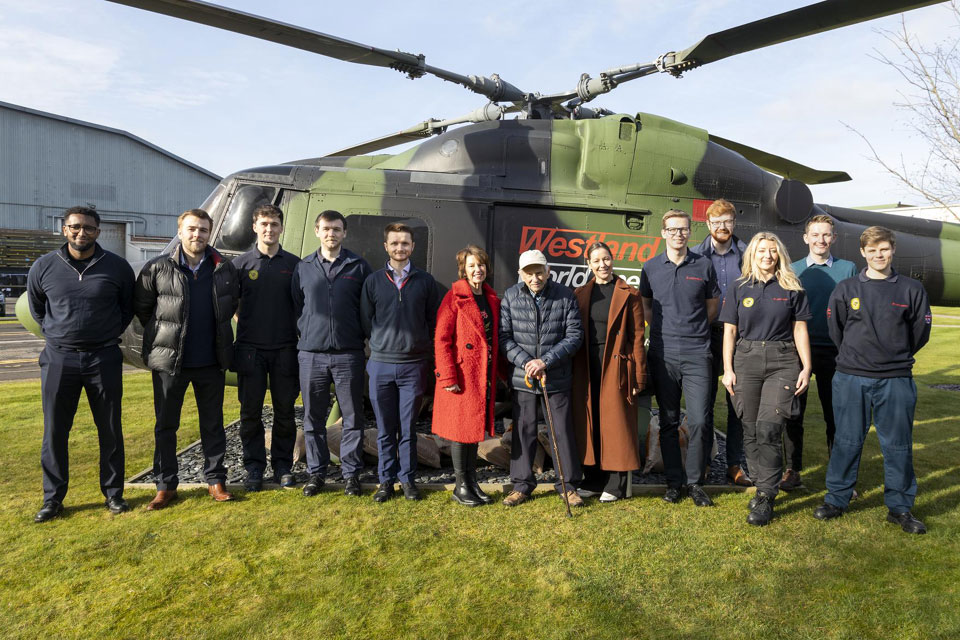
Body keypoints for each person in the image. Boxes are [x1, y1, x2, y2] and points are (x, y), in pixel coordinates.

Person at [813, 226, 931, 534]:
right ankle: (837, 499)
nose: (879, 255)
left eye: (884, 249)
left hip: (896, 379)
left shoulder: (911, 290)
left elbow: (919, 333)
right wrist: (857, 357)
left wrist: (895, 356)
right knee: (846, 441)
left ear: (893, 250)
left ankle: (900, 508)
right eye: (872, 250)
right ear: (863, 253)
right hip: (852, 377)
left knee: (898, 445)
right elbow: (836, 330)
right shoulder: (847, 289)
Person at [27, 206, 135, 522]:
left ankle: (114, 494)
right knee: (55, 431)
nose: (81, 232)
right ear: (64, 230)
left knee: (111, 429)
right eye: (75, 227)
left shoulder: (116, 267)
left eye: (88, 227)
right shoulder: (44, 266)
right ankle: (53, 499)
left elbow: (126, 309)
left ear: (97, 232)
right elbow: (37, 308)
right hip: (60, 359)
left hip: (103, 358)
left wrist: (105, 333)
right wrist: (58, 334)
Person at [135, 209, 239, 510]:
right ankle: (165, 485)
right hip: (171, 363)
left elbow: (232, 304)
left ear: (210, 234)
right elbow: (143, 309)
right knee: (166, 425)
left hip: (211, 362)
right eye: (192, 229)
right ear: (180, 232)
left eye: (203, 230)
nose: (198, 235)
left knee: (213, 424)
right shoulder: (156, 268)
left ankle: (216, 480)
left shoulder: (224, 268)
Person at [720, 232, 812, 526]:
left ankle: (765, 496)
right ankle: (763, 483)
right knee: (749, 426)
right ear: (752, 255)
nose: (767, 256)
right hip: (745, 359)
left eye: (772, 251)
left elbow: (800, 330)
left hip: (782, 360)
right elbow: (730, 332)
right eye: (761, 251)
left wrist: (806, 368)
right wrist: (728, 369)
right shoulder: (738, 288)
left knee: (769, 429)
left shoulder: (792, 288)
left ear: (779, 255)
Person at [640, 210, 721, 507]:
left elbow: (712, 306)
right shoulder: (650, 268)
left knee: (700, 420)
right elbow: (646, 307)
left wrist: (694, 329)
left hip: (698, 353)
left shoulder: (704, 265)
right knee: (669, 421)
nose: (678, 234)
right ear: (663, 233)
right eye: (673, 229)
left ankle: (696, 483)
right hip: (663, 355)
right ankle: (674, 482)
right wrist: (663, 332)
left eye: (684, 229)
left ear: (689, 233)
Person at [293, 210, 372, 497]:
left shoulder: (359, 267)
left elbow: (367, 308)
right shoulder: (303, 267)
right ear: (317, 231)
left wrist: (358, 338)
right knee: (313, 417)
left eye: (336, 229)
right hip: (311, 355)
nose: (331, 234)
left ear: (344, 233)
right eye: (326, 228)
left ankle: (351, 473)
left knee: (352, 416)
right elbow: (296, 307)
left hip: (348, 354)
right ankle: (317, 473)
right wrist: (308, 334)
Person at [361, 222, 440, 503]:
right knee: (385, 429)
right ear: (386, 246)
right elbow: (365, 321)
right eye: (394, 243)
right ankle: (386, 481)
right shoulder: (373, 281)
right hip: (380, 365)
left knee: (407, 429)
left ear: (412, 247)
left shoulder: (425, 281)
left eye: (405, 243)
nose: (400, 248)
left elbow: (433, 321)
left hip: (413, 366)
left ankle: (407, 480)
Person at [499, 249, 584, 508]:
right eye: (529, 273)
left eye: (539, 272)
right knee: (523, 432)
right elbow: (504, 337)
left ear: (548, 272)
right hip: (523, 378)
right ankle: (522, 485)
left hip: (555, 377)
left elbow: (574, 336)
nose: (535, 277)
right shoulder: (511, 296)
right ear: (520, 274)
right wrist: (527, 362)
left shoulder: (565, 296)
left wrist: (545, 361)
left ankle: (568, 486)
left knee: (561, 432)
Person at [781, 214, 857, 491]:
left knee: (835, 415)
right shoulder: (792, 270)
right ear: (806, 238)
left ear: (833, 238)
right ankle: (793, 469)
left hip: (836, 353)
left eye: (826, 235)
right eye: (815, 235)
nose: (820, 240)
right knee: (793, 414)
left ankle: (839, 474)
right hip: (797, 352)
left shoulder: (848, 269)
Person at [571, 242, 647, 503]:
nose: (602, 265)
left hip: (616, 365)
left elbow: (638, 337)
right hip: (587, 365)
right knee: (590, 421)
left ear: (612, 260)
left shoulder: (629, 294)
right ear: (589, 264)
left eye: (606, 259)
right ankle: (592, 480)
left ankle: (616, 485)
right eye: (597, 260)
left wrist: (639, 375)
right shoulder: (580, 293)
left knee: (617, 425)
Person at [232, 204, 301, 492]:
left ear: (281, 227)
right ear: (255, 227)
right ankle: (254, 467)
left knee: (285, 411)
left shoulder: (296, 264)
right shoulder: (240, 265)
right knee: (250, 412)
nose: (269, 229)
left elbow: (302, 304)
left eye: (274, 224)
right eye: (264, 224)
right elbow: (231, 306)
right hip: (250, 351)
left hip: (286, 349)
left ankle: (283, 466)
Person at [432, 245, 502, 507]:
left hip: (481, 374)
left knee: (473, 432)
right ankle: (460, 486)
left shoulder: (491, 298)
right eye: (472, 265)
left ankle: (471, 483)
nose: (477, 270)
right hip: (462, 375)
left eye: (481, 265)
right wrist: (448, 376)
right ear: (464, 269)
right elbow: (441, 339)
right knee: (461, 433)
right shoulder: (453, 298)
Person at [694, 198, 750, 487]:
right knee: (703, 402)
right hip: (708, 334)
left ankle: (734, 465)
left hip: (740, 337)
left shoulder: (748, 255)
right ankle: (702, 464)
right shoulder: (695, 257)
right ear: (708, 225)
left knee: (736, 403)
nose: (722, 227)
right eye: (717, 223)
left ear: (733, 223)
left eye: (727, 221)